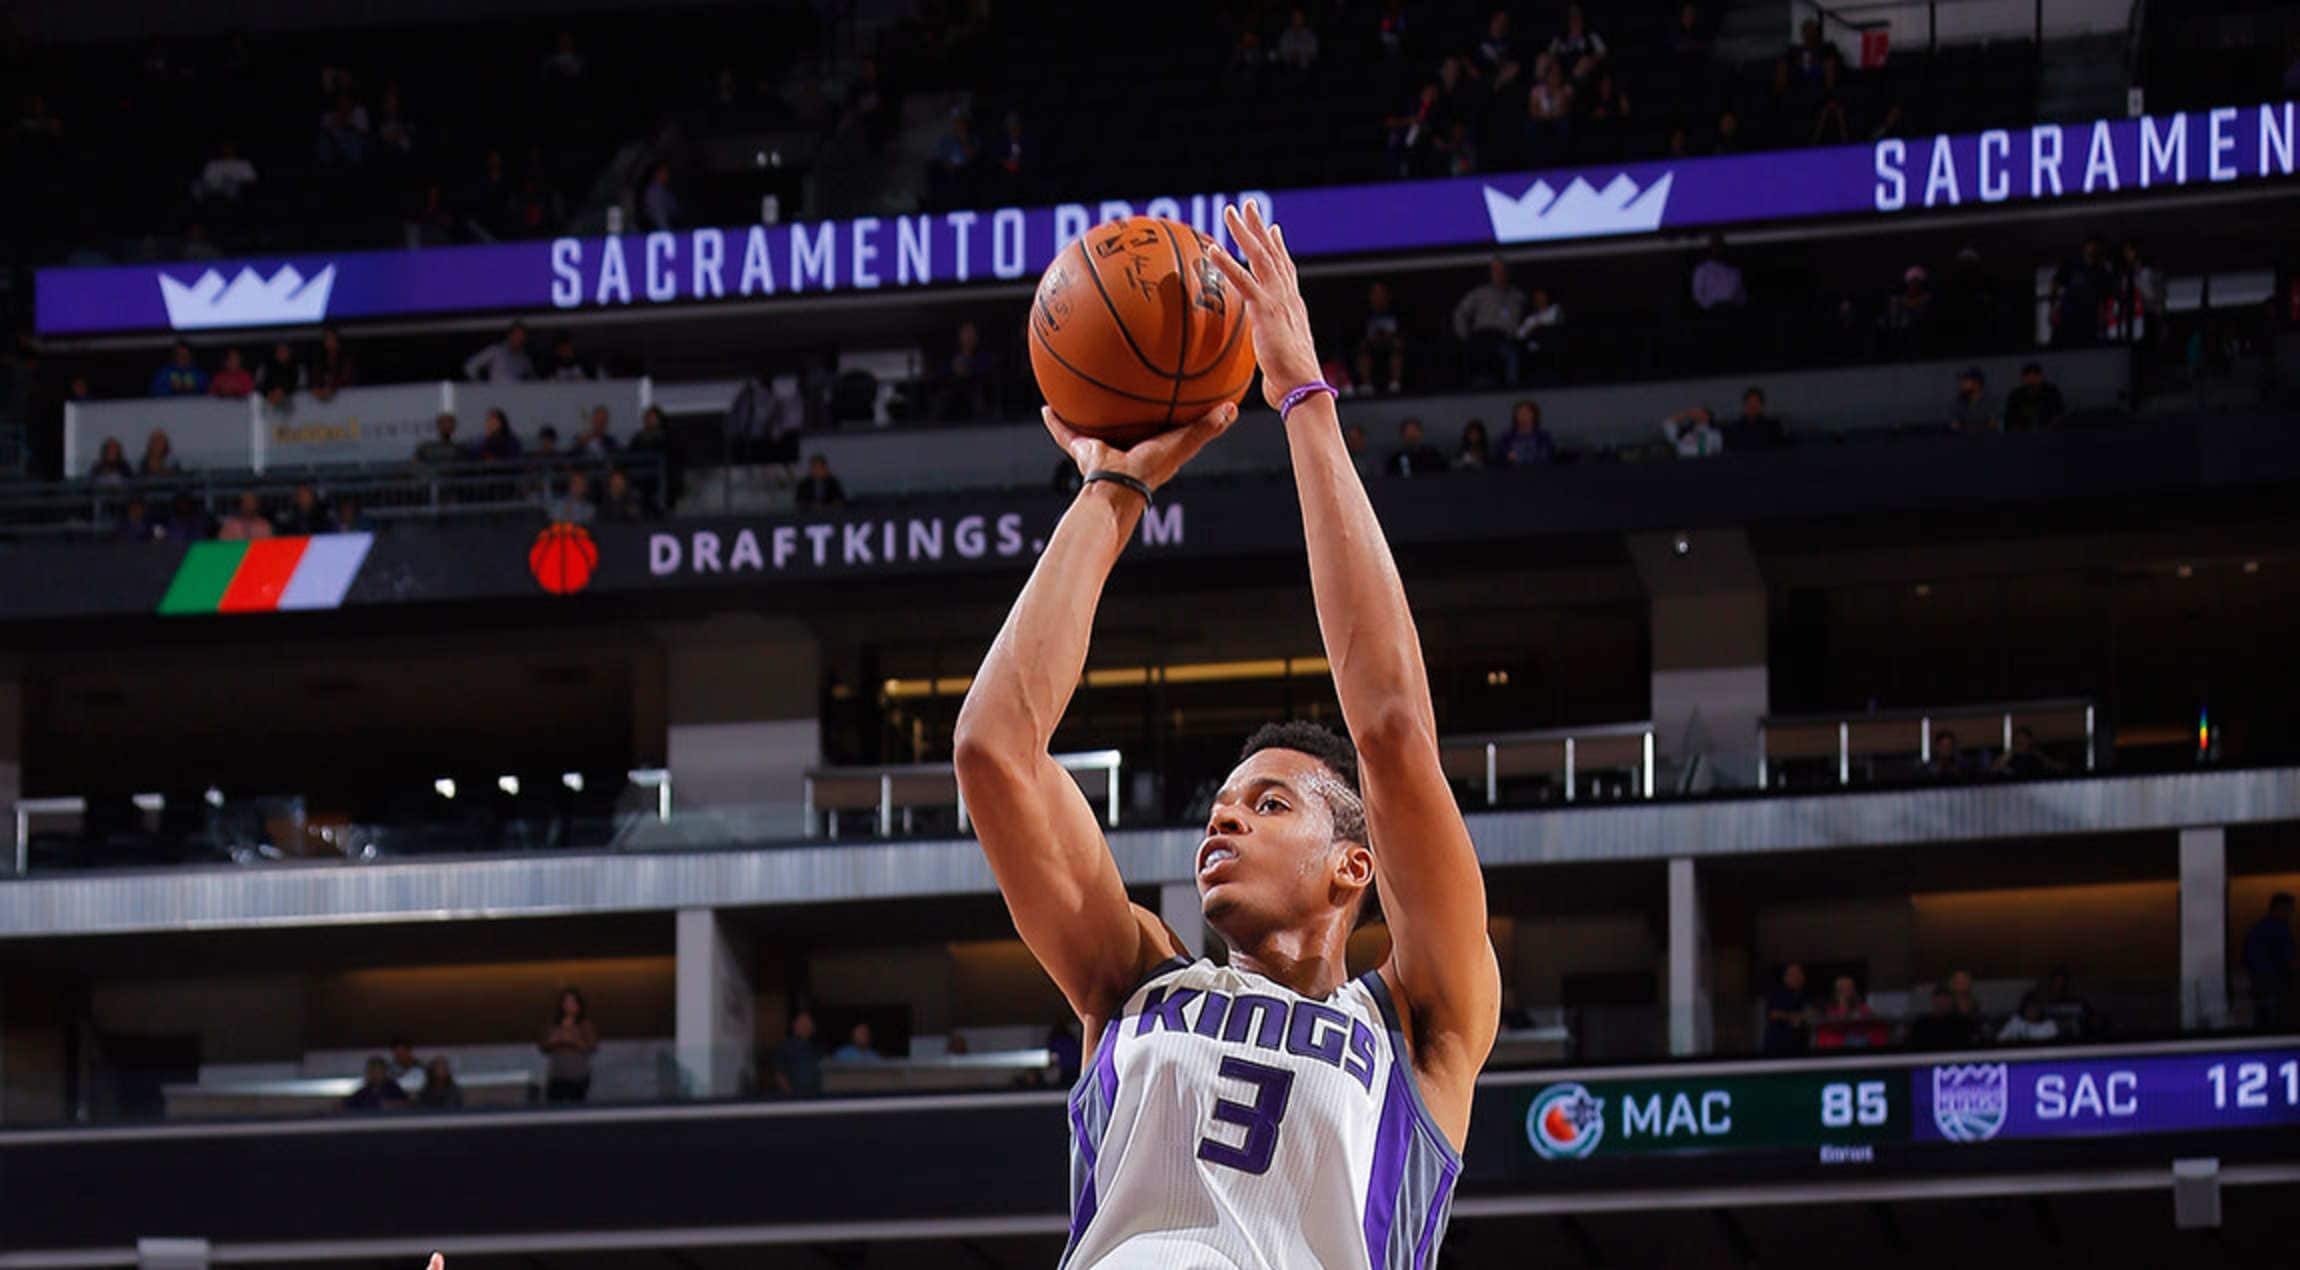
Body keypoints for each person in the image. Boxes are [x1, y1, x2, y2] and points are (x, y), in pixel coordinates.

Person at [952, 201, 1496, 1270]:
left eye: (1268, 803)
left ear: (1353, 864)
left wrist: (1302, 398)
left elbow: (1390, 728)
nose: (1223, 820)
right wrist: (1113, 490)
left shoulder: (1418, 1025)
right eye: (1222, 805)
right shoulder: (1133, 980)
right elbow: (993, 749)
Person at [1452, 257, 1526, 387]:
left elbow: (1523, 321)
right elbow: (1460, 313)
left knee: (1513, 355)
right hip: (1482, 338)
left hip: (1505, 339)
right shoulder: (1480, 293)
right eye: (1495, 270)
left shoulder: (1518, 296)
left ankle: (1512, 389)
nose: (1499, 274)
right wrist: (1465, 337)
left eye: (1502, 270)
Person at [2244, 894, 2295, 1031]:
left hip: (2265, 985)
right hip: (2273, 986)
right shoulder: (2278, 930)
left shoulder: (2259, 929)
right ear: (2279, 908)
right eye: (2288, 909)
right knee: (2274, 1022)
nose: (2290, 913)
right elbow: (2287, 958)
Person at [539, 987, 598, 1103]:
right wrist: (555, 1039)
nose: (569, 1005)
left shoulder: (585, 1025)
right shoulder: (554, 1025)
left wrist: (573, 1040)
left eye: (572, 1002)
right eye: (566, 1002)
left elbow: (591, 1047)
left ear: (578, 1005)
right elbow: (544, 1046)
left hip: (578, 1076)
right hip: (557, 1075)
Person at [1351, 281, 1408, 396]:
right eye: (1375, 294)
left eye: (1381, 294)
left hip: (1391, 346)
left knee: (1397, 347)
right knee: (1363, 350)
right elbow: (1359, 337)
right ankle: (1366, 385)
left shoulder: (1397, 313)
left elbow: (1403, 335)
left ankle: (1395, 384)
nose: (1378, 297)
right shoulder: (1364, 315)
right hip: (1372, 347)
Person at [1815, 974, 1888, 1049]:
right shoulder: (1832, 1008)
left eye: (1851, 987)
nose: (1850, 990)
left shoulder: (1860, 1006)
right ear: (1839, 990)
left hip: (1861, 1037)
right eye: (1846, 988)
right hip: (1842, 1039)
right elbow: (1833, 1024)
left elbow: (1872, 1018)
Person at [1762, 962, 1810, 1055]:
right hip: (1778, 1046)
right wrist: (1791, 1017)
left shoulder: (1805, 996)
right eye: (1792, 975)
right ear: (1785, 978)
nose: (1796, 977)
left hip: (1800, 1047)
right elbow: (1772, 1014)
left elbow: (1810, 1014)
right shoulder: (1777, 993)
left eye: (1799, 974)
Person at [2003, 362, 2067, 432]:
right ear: (2023, 378)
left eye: (2035, 376)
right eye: (2028, 377)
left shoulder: (2052, 393)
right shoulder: (2015, 396)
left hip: (2049, 433)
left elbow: (2060, 415)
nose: (2032, 380)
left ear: (2041, 377)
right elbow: (2009, 419)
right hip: (2022, 434)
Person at [773, 1009, 823, 1098]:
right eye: (802, 1024)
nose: (805, 1027)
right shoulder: (785, 1047)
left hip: (816, 1098)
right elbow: (779, 1074)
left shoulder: (817, 1048)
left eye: (808, 1024)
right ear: (794, 1025)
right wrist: (790, 1094)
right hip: (793, 1098)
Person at [1907, 986, 1976, 1050]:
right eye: (1939, 1001)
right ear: (1933, 1001)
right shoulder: (1922, 1024)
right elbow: (1912, 1046)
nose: (1942, 1004)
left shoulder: (1963, 1023)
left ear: (1951, 1001)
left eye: (1945, 1000)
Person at [463, 322, 535, 383]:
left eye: (521, 336)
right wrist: (482, 388)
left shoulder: (524, 359)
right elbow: (470, 367)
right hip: (496, 394)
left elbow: (533, 380)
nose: (519, 338)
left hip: (517, 394)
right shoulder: (496, 351)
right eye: (517, 335)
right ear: (510, 335)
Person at [1724, 387, 1785, 452]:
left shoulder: (1772, 427)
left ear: (1762, 405)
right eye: (1749, 402)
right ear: (1744, 405)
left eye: (1756, 402)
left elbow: (1780, 449)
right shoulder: (1735, 428)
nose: (1752, 406)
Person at [1993, 726, 2063, 779]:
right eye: (2018, 740)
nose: (2020, 742)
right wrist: (2007, 755)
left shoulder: (2036, 756)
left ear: (2030, 741)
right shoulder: (2008, 756)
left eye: (2023, 739)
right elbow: (1993, 770)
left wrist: (2042, 757)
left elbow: (2058, 768)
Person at [344, 1057, 410, 1112]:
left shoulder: (393, 1088)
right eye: (371, 1071)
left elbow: (408, 1105)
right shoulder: (364, 1091)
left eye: (377, 1071)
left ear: (384, 1072)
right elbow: (349, 1104)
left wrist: (392, 1105)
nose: (374, 1075)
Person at [1501, 400, 1554, 466]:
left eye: (1527, 413)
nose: (1523, 416)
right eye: (1519, 413)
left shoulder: (1544, 437)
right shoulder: (1506, 437)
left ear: (1534, 415)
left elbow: (1545, 457)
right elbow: (1501, 457)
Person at [253, 341, 306, 406]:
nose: (282, 353)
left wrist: (284, 393)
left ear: (290, 352)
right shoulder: (266, 366)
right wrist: (268, 393)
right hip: (267, 400)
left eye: (285, 351)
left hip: (291, 401)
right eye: (280, 351)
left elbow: (301, 387)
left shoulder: (297, 366)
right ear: (275, 353)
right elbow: (258, 385)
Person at [311, 327, 357, 400]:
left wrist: (332, 387)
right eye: (327, 339)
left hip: (346, 397)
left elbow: (347, 379)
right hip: (324, 395)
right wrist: (317, 388)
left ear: (337, 341)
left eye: (332, 339)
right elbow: (315, 378)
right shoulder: (320, 359)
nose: (329, 342)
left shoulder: (345, 359)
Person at [1949, 367, 1997, 433]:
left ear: (1977, 383)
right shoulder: (1958, 402)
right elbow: (1955, 427)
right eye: (1961, 381)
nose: (1961, 384)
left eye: (1965, 380)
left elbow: (1993, 426)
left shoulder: (1991, 402)